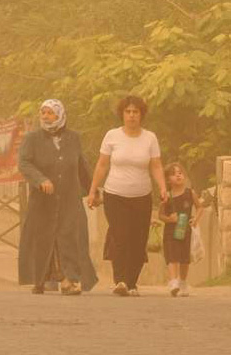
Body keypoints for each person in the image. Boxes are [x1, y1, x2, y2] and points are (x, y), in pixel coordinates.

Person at [87, 95, 168, 297]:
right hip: (115, 195)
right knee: (120, 236)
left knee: (138, 240)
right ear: (122, 114)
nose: (131, 116)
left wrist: (163, 188)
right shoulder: (112, 136)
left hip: (141, 196)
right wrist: (93, 189)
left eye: (135, 112)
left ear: (141, 115)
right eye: (128, 112)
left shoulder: (149, 138)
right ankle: (120, 280)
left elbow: (156, 165)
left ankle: (132, 282)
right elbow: (102, 164)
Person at [18, 99, 98, 295]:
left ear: (60, 115)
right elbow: (24, 163)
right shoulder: (32, 139)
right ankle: (46, 278)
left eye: (50, 113)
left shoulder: (73, 138)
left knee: (71, 236)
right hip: (43, 201)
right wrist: (40, 180)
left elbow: (81, 165)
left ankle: (69, 279)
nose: (45, 116)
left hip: (69, 198)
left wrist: (93, 191)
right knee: (44, 238)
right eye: (43, 113)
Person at [159, 162, 205, 297]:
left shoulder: (190, 193)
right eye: (173, 174)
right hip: (170, 230)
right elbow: (160, 215)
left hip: (186, 229)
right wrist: (169, 219)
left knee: (184, 258)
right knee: (172, 256)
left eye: (180, 173)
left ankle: (183, 282)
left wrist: (195, 219)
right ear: (168, 180)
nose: (178, 175)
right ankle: (174, 282)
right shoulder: (166, 196)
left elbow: (200, 207)